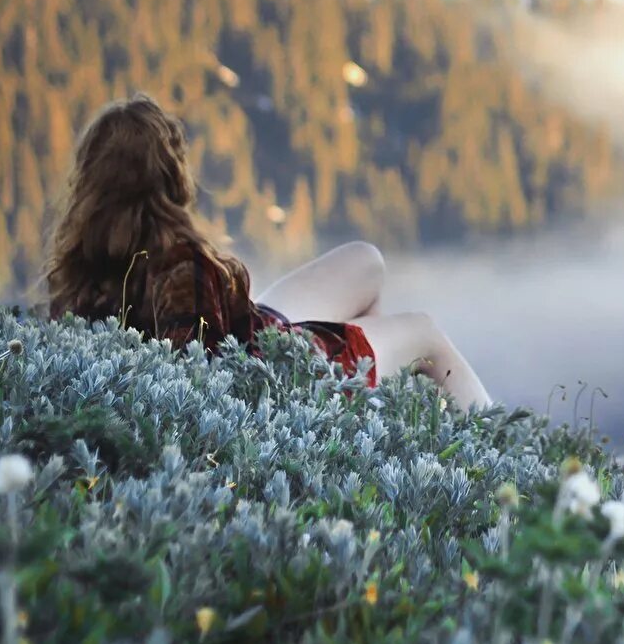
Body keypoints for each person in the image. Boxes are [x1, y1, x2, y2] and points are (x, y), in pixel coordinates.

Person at [44, 93, 491, 409]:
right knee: (425, 332)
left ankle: (372, 403)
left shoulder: (79, 272)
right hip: (287, 373)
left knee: (366, 260)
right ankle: (510, 473)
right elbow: (204, 380)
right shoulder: (180, 264)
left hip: (254, 331)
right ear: (171, 174)